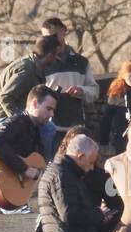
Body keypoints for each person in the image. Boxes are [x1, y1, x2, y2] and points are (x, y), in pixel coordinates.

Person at [0, 35, 63, 158]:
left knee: (46, 127)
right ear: (49, 56)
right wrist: (19, 121)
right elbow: (5, 97)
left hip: (18, 110)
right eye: (56, 55)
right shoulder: (27, 71)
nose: (57, 59)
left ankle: (39, 163)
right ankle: (43, 166)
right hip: (1, 112)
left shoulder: (36, 66)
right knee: (47, 129)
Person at [38, 134, 119, 232]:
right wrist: (99, 214)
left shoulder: (66, 173)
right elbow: (69, 215)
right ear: (80, 156)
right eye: (91, 162)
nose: (91, 168)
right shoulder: (63, 175)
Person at [0, 86, 57, 212]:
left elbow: (38, 163)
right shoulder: (17, 123)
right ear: (35, 103)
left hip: (25, 195)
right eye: (48, 109)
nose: (51, 114)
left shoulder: (36, 128)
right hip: (9, 193)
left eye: (53, 110)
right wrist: (24, 169)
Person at [40, 18, 99, 157]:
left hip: (76, 129)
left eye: (54, 36)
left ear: (63, 32)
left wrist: (82, 91)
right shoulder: (42, 64)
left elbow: (95, 91)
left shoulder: (81, 62)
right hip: (50, 129)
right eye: (46, 38)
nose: (51, 41)